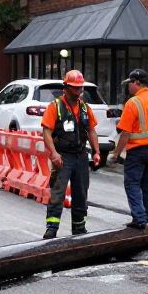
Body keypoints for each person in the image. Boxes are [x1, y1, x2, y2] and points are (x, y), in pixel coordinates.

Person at [40, 69, 101, 238]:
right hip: (63, 156)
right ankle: (52, 228)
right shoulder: (55, 107)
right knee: (58, 193)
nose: (79, 91)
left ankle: (79, 228)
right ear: (65, 87)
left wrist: (96, 151)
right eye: (75, 88)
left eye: (80, 88)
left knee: (81, 193)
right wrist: (54, 154)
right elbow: (46, 132)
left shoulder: (84, 108)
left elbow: (91, 130)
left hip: (81, 155)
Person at [113, 69, 148, 230]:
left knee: (132, 183)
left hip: (138, 151)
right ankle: (144, 216)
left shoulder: (133, 103)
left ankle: (139, 217)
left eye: (130, 83)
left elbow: (125, 133)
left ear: (136, 82)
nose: (128, 87)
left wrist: (116, 153)